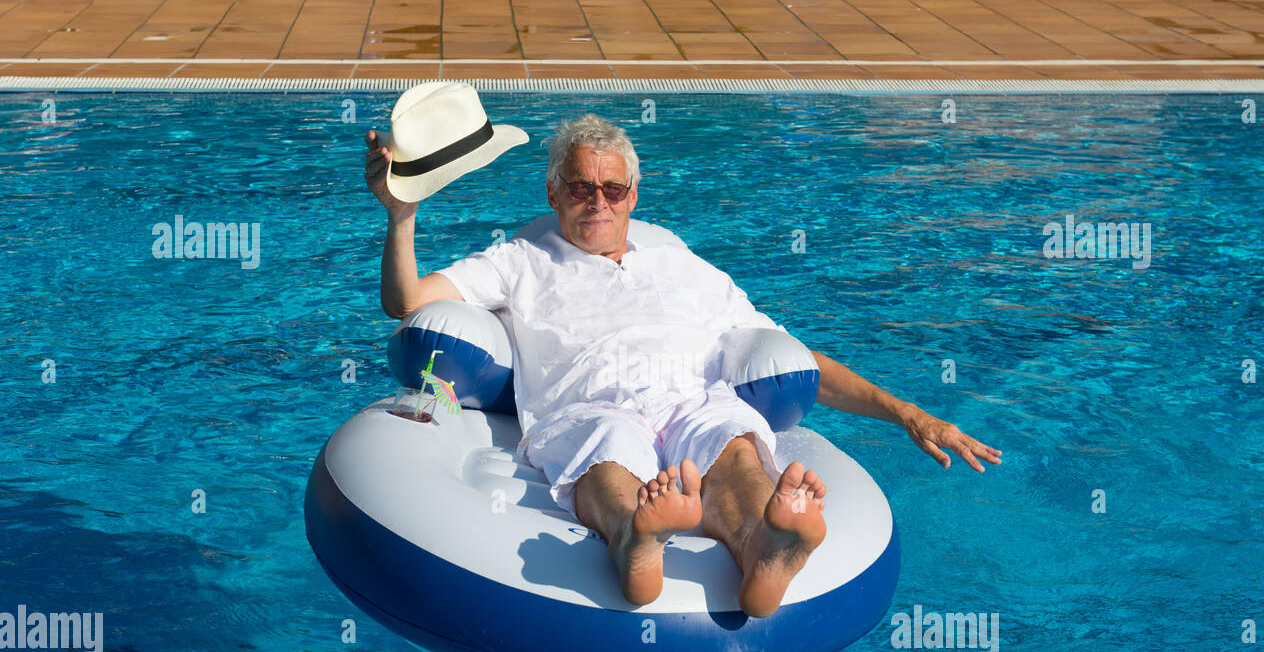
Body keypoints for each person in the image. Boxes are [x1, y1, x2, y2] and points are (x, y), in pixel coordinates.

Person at [366, 114, 1001, 618]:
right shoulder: (519, 259)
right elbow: (408, 301)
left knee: (733, 443)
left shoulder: (686, 268)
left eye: (613, 189)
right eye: (582, 188)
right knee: (607, 447)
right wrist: (402, 217)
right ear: (555, 191)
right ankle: (632, 538)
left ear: (633, 195)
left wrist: (908, 414)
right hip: (589, 402)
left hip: (692, 397)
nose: (598, 202)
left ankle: (764, 548)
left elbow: (796, 354)